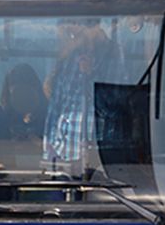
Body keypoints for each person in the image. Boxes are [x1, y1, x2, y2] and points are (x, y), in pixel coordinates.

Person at [43, 21, 119, 171]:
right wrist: (48, 153)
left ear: (95, 27)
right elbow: (55, 109)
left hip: (95, 163)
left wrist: (91, 76)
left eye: (77, 25)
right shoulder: (69, 59)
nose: (71, 31)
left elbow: (115, 108)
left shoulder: (115, 58)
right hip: (61, 159)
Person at [1, 63, 47, 141]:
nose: (22, 93)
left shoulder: (48, 118)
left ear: (36, 87)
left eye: (26, 81)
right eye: (14, 83)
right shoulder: (1, 119)